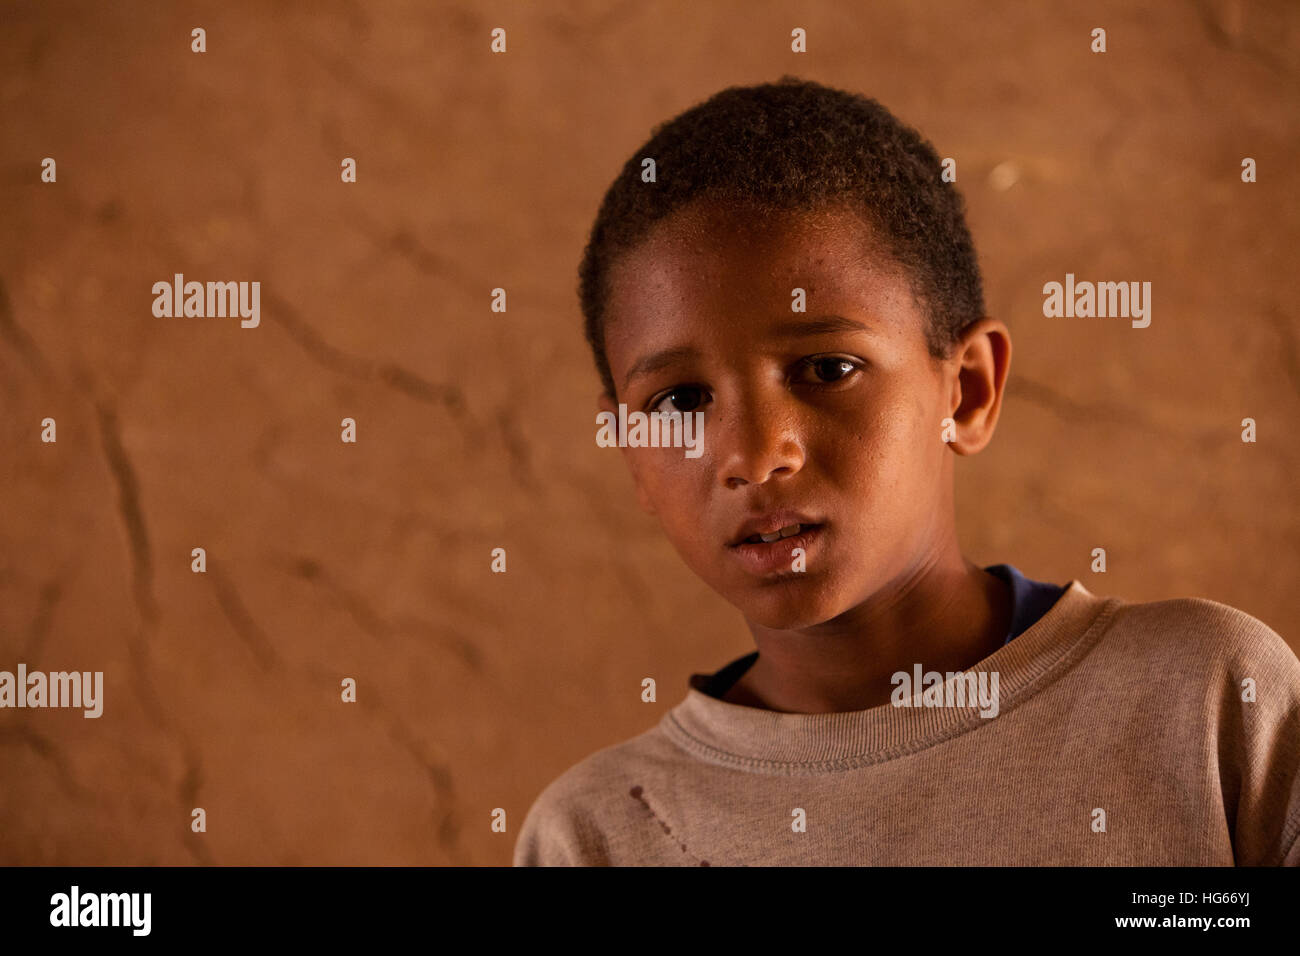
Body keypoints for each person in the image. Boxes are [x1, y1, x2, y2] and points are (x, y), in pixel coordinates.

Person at [514, 77, 1300, 866]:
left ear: (968, 389)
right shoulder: (594, 837)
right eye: (680, 399)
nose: (754, 457)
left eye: (826, 367)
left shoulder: (1207, 704)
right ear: (628, 451)